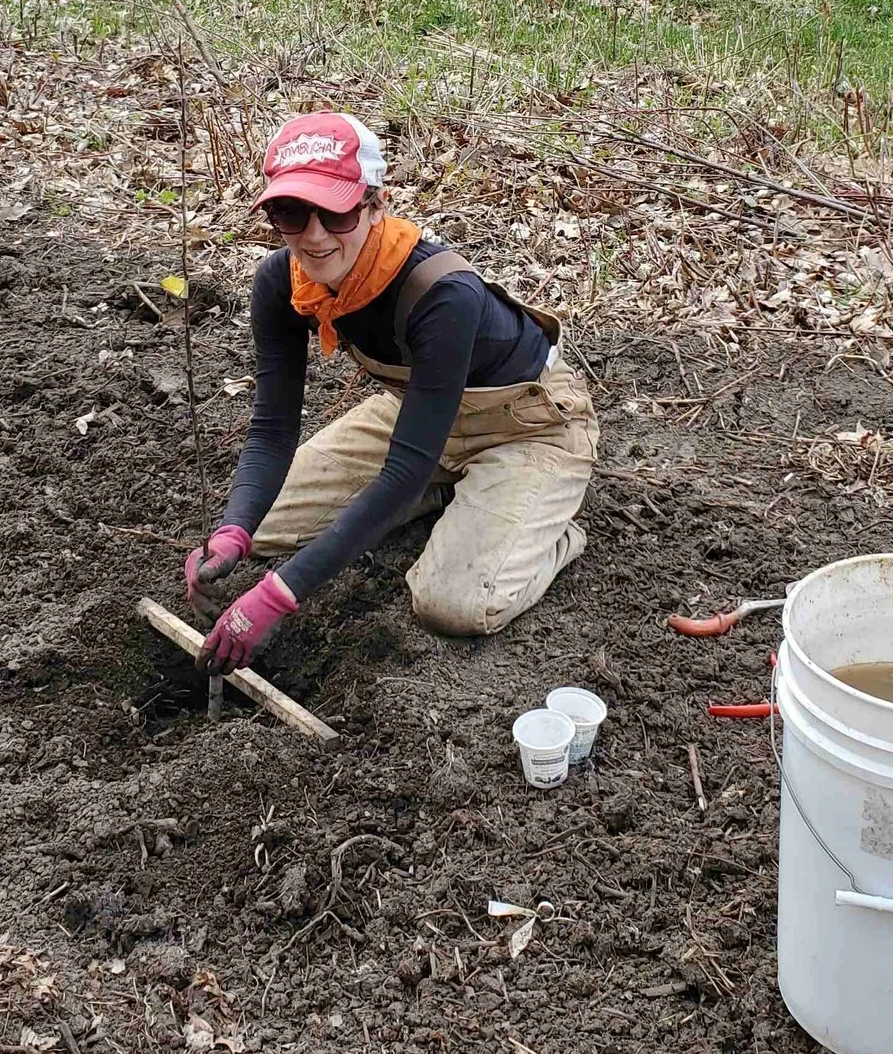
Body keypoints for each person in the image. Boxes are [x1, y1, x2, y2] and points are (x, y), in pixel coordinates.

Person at [183, 112, 597, 673]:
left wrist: (276, 597)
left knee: (452, 605)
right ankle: (447, 494)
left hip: (528, 426)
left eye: (337, 210)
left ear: (376, 203)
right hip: (421, 418)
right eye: (290, 212)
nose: (314, 235)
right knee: (263, 530)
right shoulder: (283, 282)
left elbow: (402, 472)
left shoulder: (442, 293)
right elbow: (272, 429)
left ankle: (545, 527)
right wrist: (232, 530)